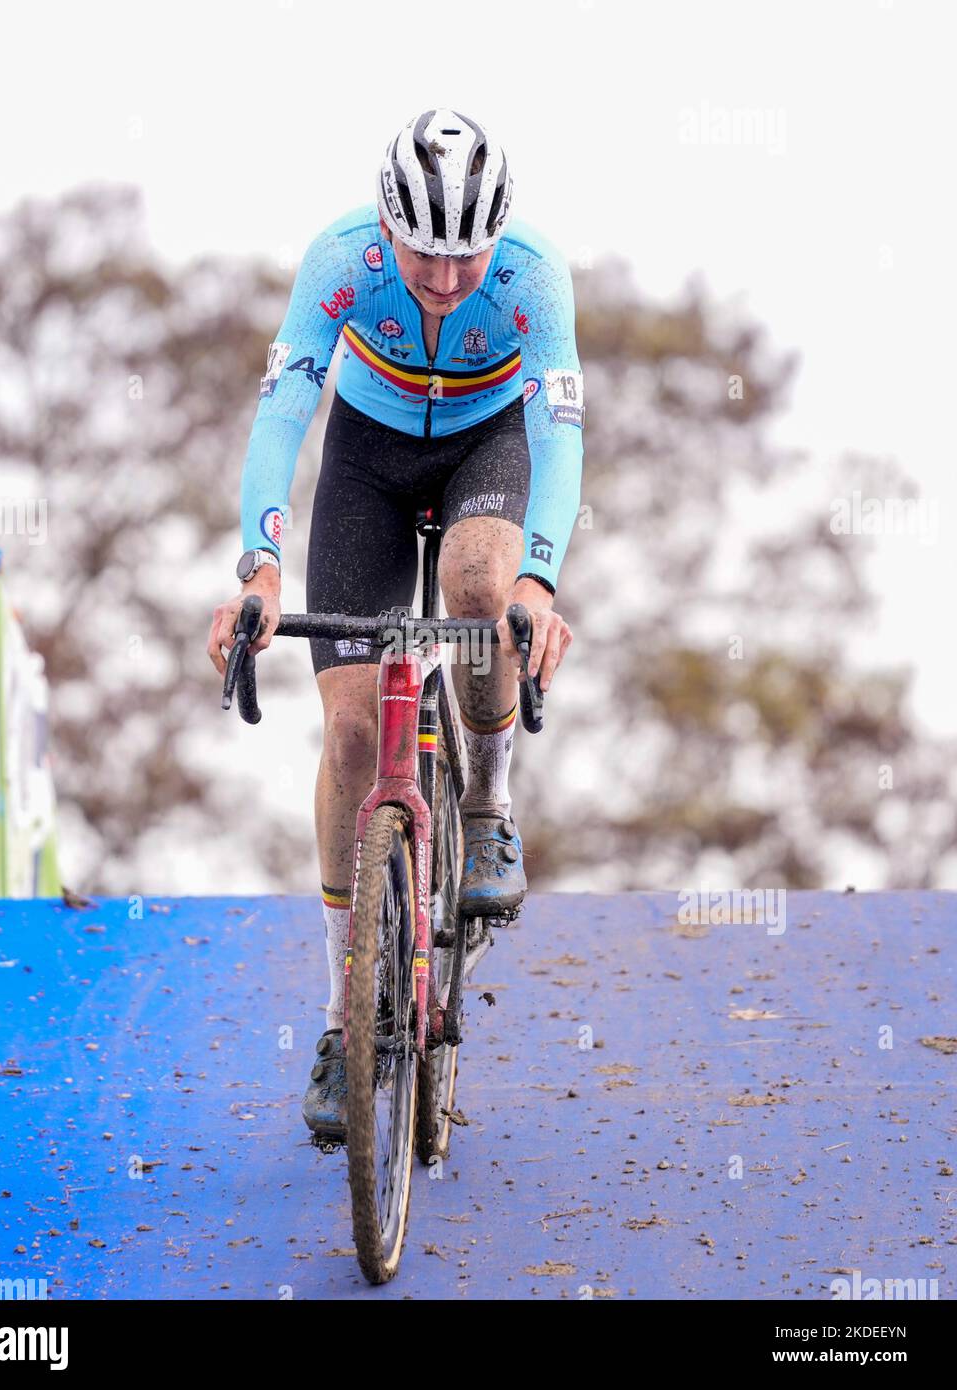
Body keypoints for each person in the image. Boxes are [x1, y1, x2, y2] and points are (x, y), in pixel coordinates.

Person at [208, 108, 584, 1139]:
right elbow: (282, 407)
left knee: (475, 584)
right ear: (386, 222)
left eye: (469, 255)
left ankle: (489, 805)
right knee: (349, 733)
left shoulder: (534, 279)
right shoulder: (340, 261)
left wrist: (537, 583)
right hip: (367, 464)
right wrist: (260, 564)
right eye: (423, 250)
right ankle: (341, 1021)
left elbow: (557, 435)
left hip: (486, 452)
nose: (448, 277)